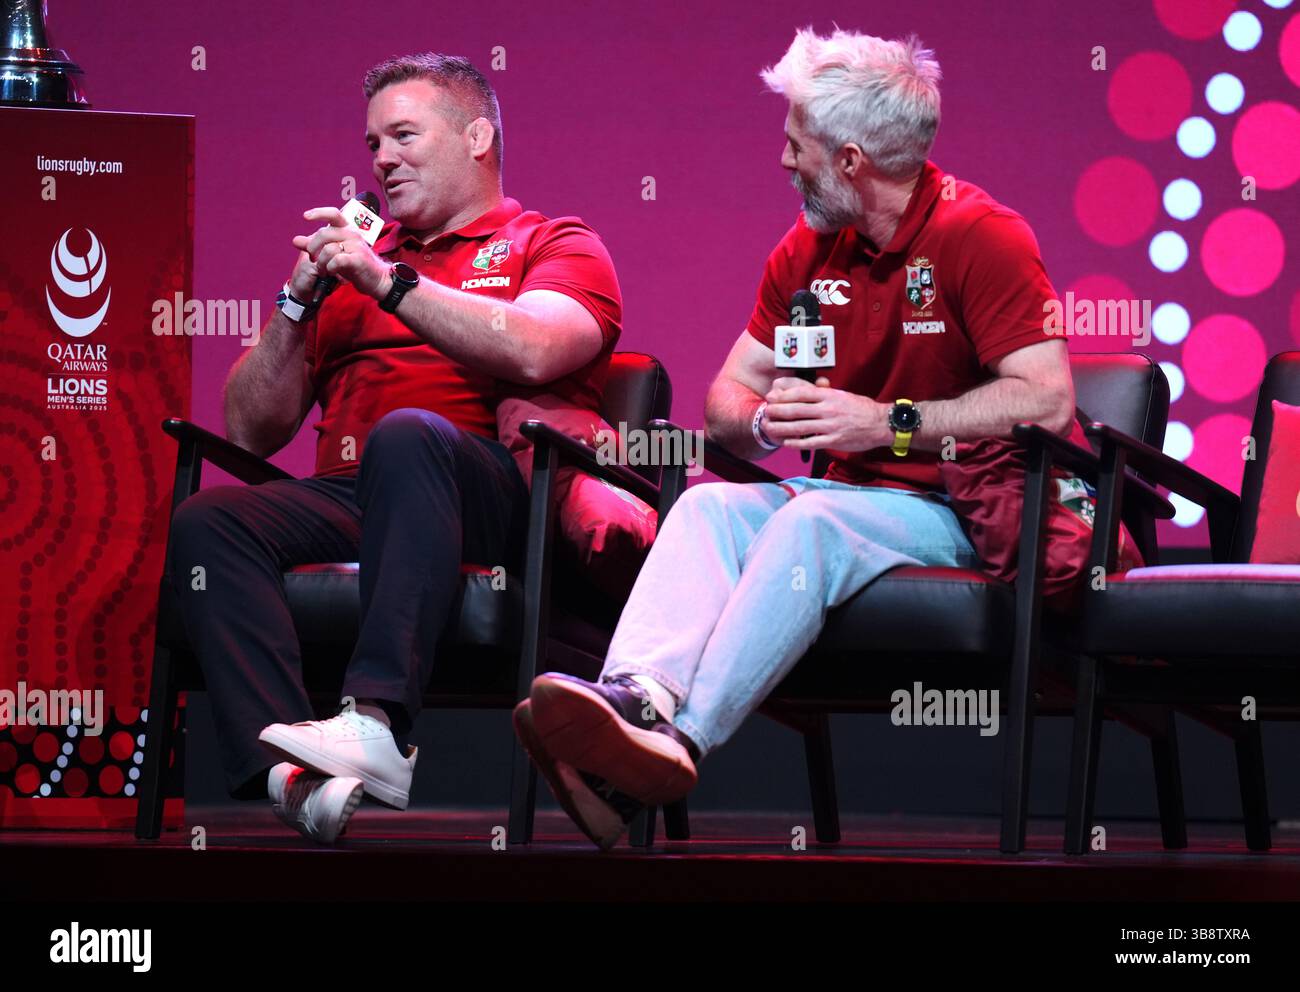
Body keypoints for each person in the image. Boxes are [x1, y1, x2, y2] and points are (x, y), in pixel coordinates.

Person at [515, 28, 1075, 849]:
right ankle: (634, 704)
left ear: (850, 159)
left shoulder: (981, 237)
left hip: (948, 507)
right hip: (841, 494)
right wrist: (764, 415)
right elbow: (724, 401)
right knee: (707, 511)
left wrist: (891, 423)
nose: (783, 160)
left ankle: (678, 744)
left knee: (808, 524)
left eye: (795, 143)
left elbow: (1048, 402)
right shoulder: (810, 250)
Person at [168, 53, 621, 843]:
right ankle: (291, 777)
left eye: (403, 134)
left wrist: (391, 286)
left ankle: (373, 720)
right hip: (357, 495)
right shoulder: (352, 269)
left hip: (483, 492)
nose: (380, 159)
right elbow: (249, 429)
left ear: (477, 136)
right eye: (372, 142)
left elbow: (538, 349)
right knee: (211, 520)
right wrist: (297, 298)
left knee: (408, 437)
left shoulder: (552, 240)